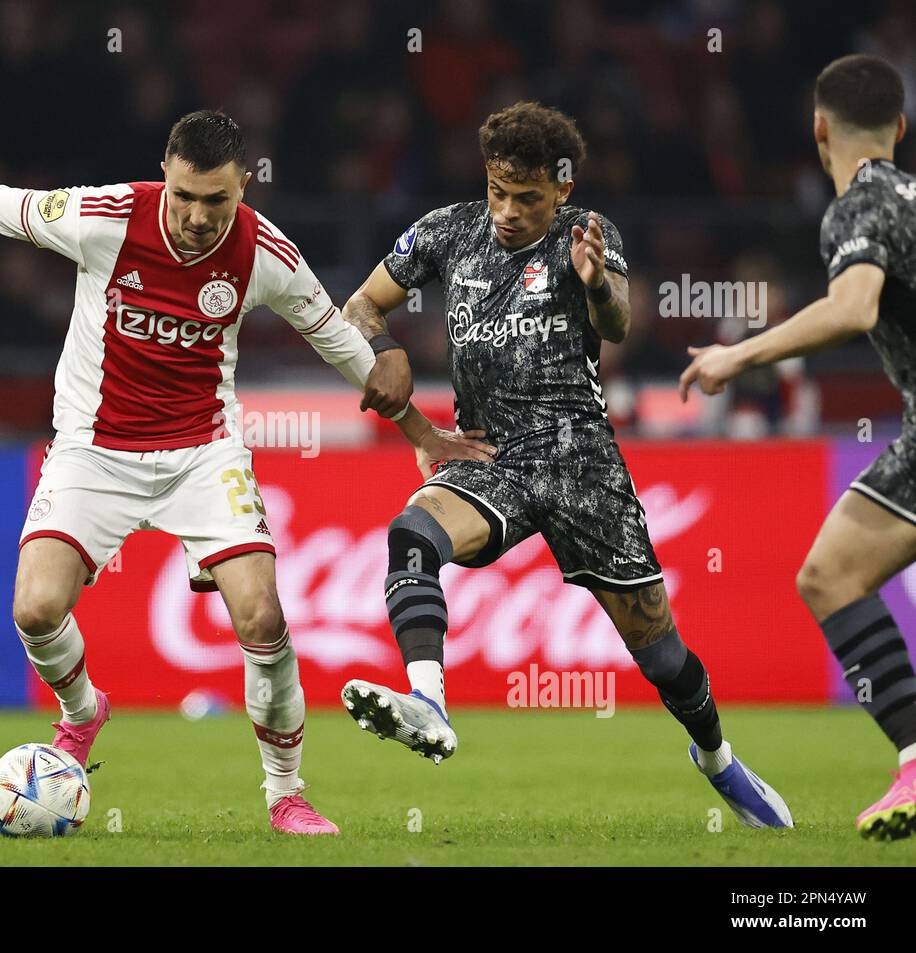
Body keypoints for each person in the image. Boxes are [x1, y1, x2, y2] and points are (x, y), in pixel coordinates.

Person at [0, 109, 487, 835]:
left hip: (202, 453)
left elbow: (340, 343)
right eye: (183, 196)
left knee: (262, 616)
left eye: (216, 201)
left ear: (244, 188)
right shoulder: (102, 217)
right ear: (165, 174)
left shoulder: (265, 254)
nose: (195, 216)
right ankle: (84, 711)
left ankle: (285, 793)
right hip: (94, 449)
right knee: (34, 610)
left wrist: (422, 434)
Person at [340, 101, 794, 830]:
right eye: (498, 191)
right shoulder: (445, 231)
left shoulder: (590, 237)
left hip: (582, 461)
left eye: (527, 198)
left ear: (562, 190)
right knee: (411, 536)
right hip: (491, 455)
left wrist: (594, 285)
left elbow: (617, 321)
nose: (509, 212)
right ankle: (427, 700)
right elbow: (360, 303)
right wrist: (386, 348)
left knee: (663, 656)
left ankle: (717, 759)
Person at [681, 54, 916, 841]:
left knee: (831, 575)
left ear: (819, 128)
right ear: (901, 126)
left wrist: (736, 356)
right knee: (831, 572)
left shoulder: (860, 203)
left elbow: (852, 308)